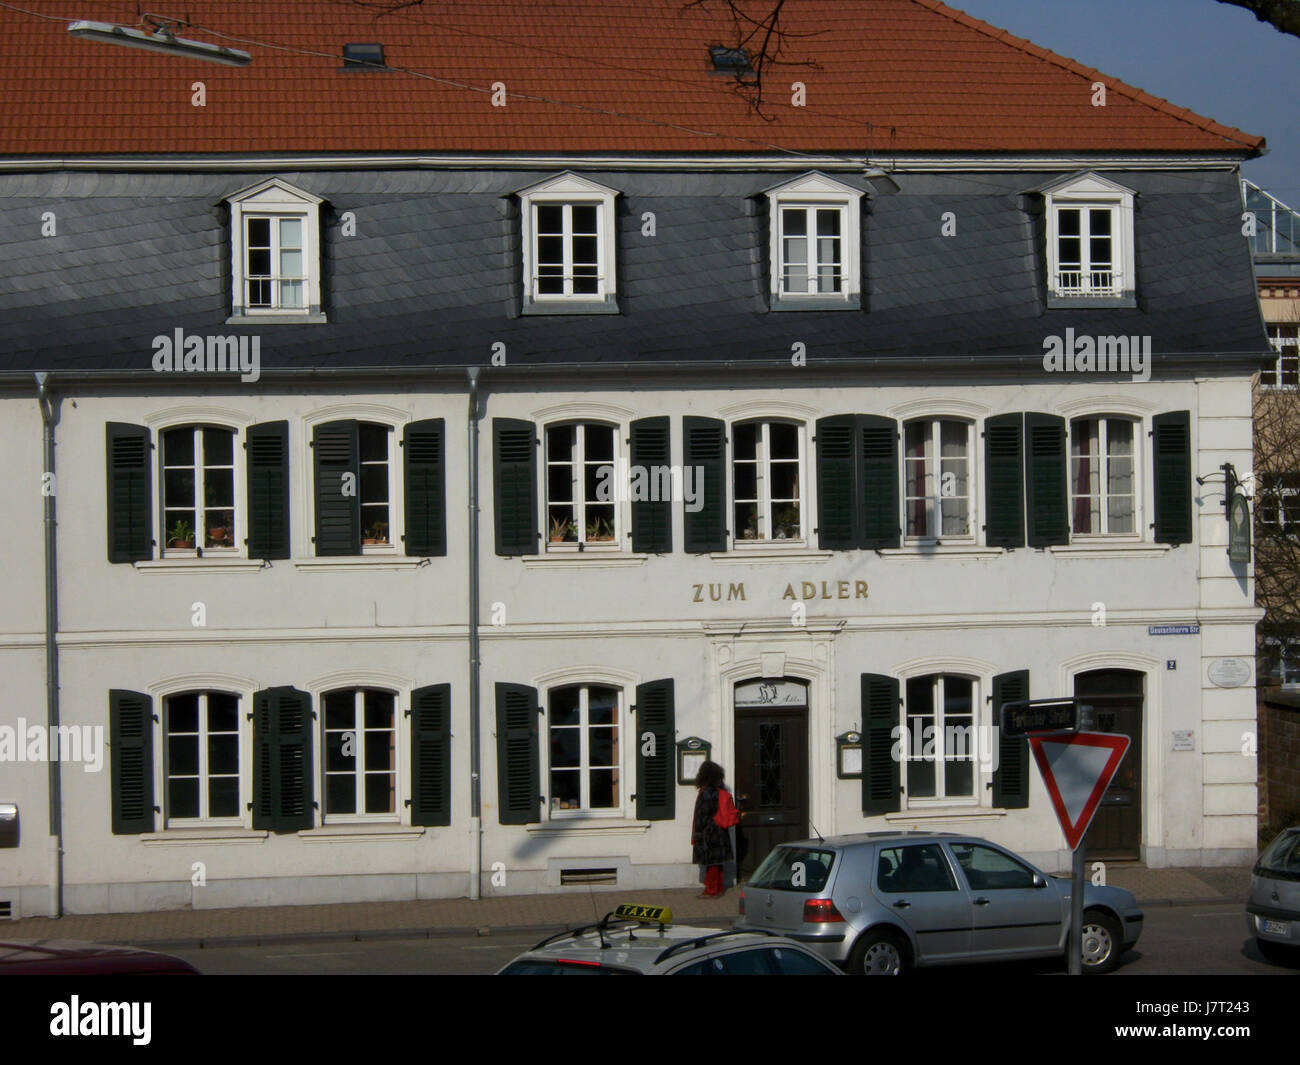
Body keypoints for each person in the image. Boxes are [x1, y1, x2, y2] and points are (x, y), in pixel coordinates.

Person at [691, 761, 738, 898]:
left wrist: (697, 834)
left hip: (709, 832)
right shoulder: (718, 791)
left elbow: (703, 814)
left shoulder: (706, 792)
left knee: (710, 863)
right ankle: (718, 888)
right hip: (720, 831)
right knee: (717, 863)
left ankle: (711, 890)